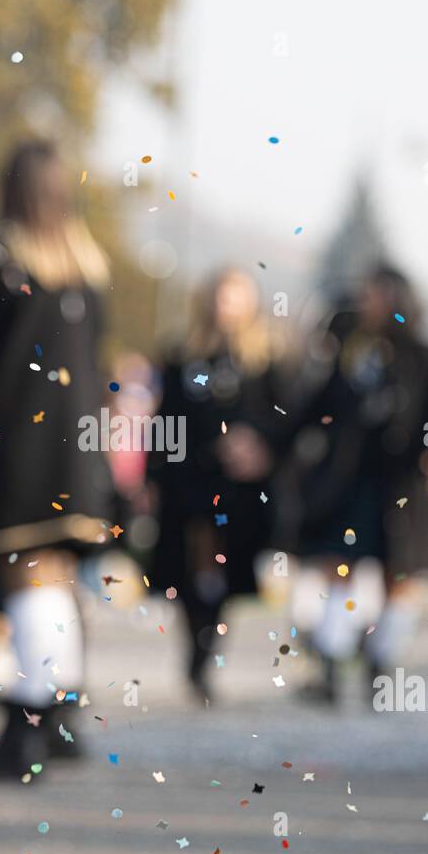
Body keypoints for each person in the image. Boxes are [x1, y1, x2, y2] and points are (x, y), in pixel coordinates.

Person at [0, 139, 113, 778]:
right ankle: (61, 720)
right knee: (57, 579)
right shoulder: (86, 265)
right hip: (77, 448)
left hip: (17, 446)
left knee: (27, 579)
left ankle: (27, 730)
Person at [290, 267, 428, 701]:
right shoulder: (349, 352)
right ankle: (330, 660)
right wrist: (282, 440)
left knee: (398, 575)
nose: (367, 303)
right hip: (352, 478)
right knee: (338, 563)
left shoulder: (423, 356)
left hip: (403, 481)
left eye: (376, 294)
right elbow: (316, 407)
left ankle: (381, 664)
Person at [149, 268, 291, 702]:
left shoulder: (267, 361)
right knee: (189, 571)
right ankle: (194, 652)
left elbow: (286, 418)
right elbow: (166, 420)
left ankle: (208, 653)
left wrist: (259, 446)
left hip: (240, 488)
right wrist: (157, 474)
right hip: (189, 481)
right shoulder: (181, 357)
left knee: (226, 575)